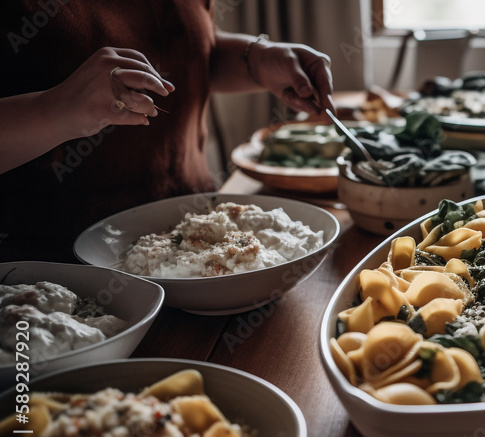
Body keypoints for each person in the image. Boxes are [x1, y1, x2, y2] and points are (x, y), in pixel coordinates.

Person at [0, 1, 335, 263]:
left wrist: (255, 59)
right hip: (50, 285)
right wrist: (51, 109)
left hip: (205, 246)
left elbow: (193, 53)